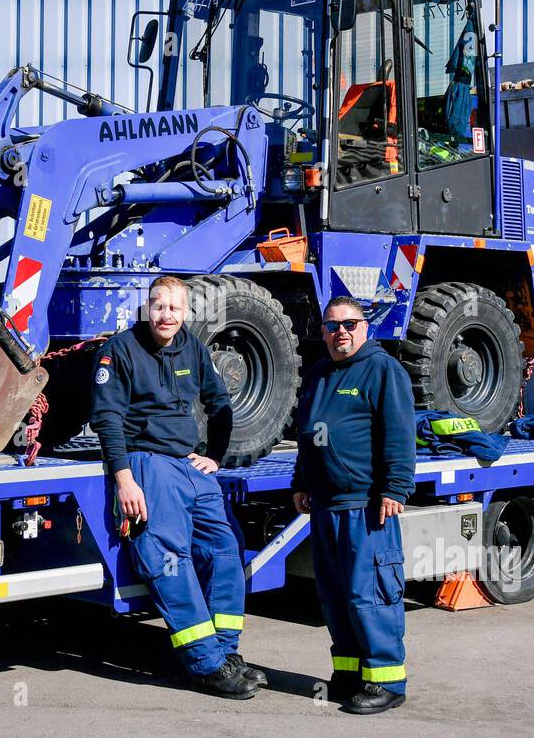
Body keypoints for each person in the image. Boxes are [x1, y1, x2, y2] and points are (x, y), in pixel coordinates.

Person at [90, 275, 266, 699]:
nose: (165, 315)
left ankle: (225, 652)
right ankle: (206, 664)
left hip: (190, 465)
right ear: (147, 307)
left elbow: (219, 402)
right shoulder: (120, 351)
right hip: (147, 463)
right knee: (169, 558)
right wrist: (124, 477)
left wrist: (216, 456)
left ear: (186, 311)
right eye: (158, 306)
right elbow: (107, 419)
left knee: (224, 550)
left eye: (173, 308)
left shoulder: (193, 347)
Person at [291, 296, 416, 714]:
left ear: (365, 327)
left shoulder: (383, 370)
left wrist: (395, 489)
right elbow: (308, 434)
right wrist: (301, 481)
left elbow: (399, 434)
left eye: (349, 324)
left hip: (366, 507)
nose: (339, 331)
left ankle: (387, 681)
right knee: (335, 595)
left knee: (371, 595)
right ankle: (348, 673)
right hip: (325, 506)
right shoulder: (319, 373)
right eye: (331, 325)